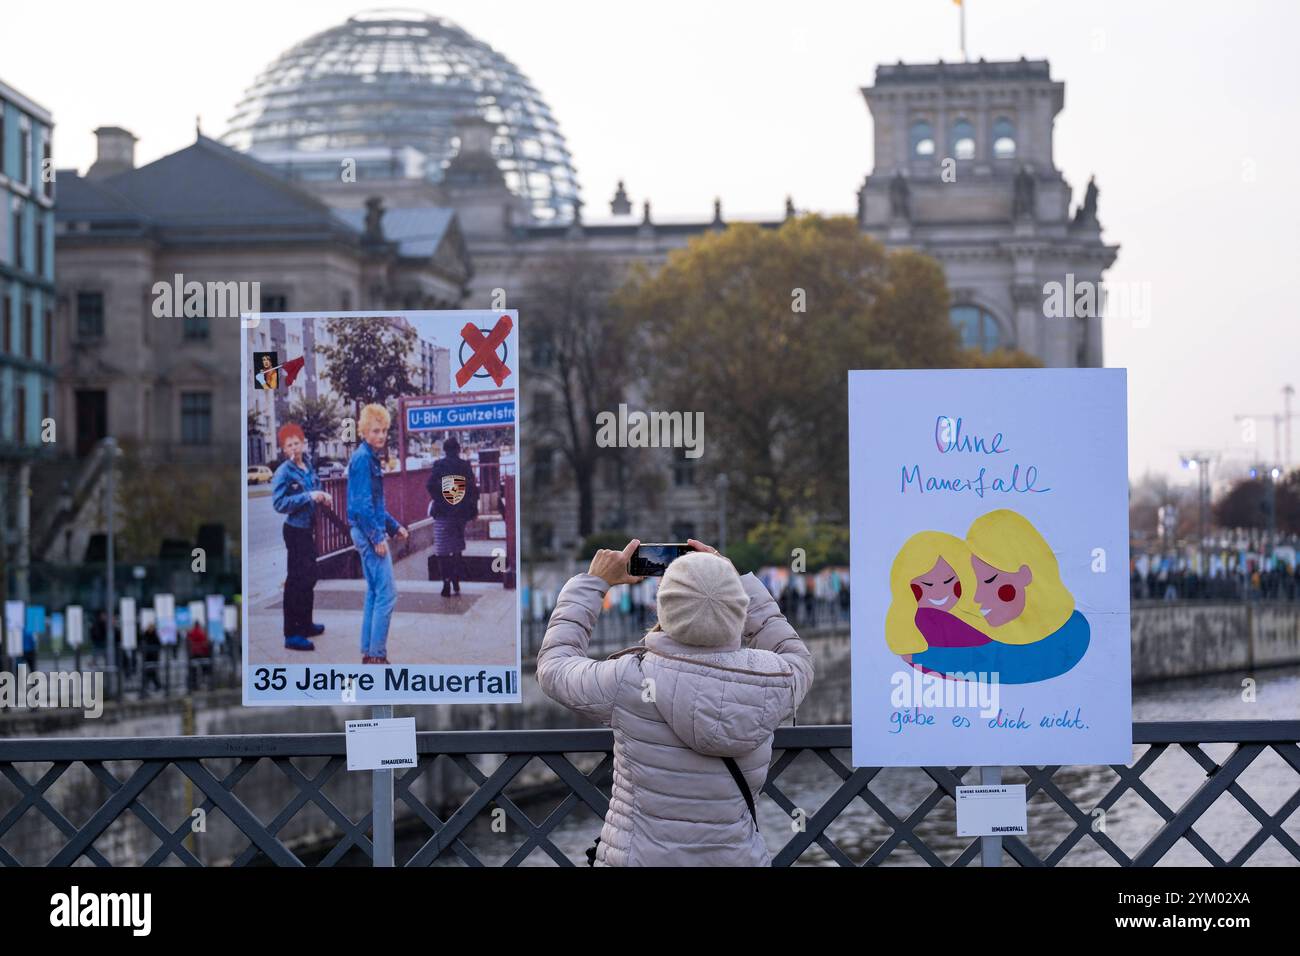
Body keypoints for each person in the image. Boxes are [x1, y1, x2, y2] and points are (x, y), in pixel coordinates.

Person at [537, 538, 813, 866]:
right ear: (739, 608)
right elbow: (795, 653)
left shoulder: (629, 680)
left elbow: (554, 667)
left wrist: (592, 583)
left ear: (662, 609)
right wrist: (731, 579)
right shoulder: (773, 680)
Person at [347, 403, 408, 665]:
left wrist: (394, 527)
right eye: (375, 430)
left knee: (374, 593)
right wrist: (377, 537)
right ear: (363, 431)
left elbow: (373, 503)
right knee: (387, 593)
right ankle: (376, 655)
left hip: (364, 532)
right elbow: (362, 506)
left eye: (383, 431)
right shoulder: (363, 459)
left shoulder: (368, 456)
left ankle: (369, 650)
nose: (381, 436)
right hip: (367, 533)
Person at [272, 423, 331, 652]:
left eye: (297, 443)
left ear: (303, 443)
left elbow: (316, 487)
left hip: (309, 529)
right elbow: (279, 503)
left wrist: (322, 495)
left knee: (310, 578)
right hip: (295, 531)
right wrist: (309, 496)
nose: (294, 447)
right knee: (296, 581)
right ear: (284, 450)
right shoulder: (284, 472)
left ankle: (305, 624)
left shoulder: (307, 465)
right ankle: (292, 633)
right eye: (289, 445)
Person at [425, 436, 479, 597]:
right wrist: (472, 510)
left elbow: (430, 485)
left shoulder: (438, 465)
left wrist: (439, 499)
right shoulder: (465, 466)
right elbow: (472, 490)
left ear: (445, 450)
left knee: (442, 550)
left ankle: (446, 582)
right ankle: (456, 580)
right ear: (458, 449)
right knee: (456, 548)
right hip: (460, 515)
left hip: (442, 514)